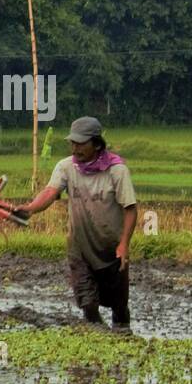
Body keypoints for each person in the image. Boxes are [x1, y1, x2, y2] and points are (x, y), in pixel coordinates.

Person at [19, 116, 137, 328]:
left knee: (119, 307)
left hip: (112, 250)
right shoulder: (66, 168)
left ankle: (123, 338)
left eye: (81, 143)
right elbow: (50, 192)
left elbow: (130, 209)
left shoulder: (117, 171)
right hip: (80, 249)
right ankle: (98, 338)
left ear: (97, 144)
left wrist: (124, 244)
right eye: (73, 143)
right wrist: (31, 208)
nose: (75, 148)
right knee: (88, 304)